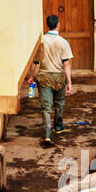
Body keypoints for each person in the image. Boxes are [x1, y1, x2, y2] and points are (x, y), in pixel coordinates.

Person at [32, 15, 73, 147]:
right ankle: (58, 126)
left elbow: (35, 62)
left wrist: (32, 76)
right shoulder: (63, 42)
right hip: (59, 78)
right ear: (58, 25)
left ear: (47, 24)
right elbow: (66, 64)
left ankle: (48, 134)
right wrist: (69, 82)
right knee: (59, 103)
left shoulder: (41, 41)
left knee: (46, 106)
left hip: (44, 78)